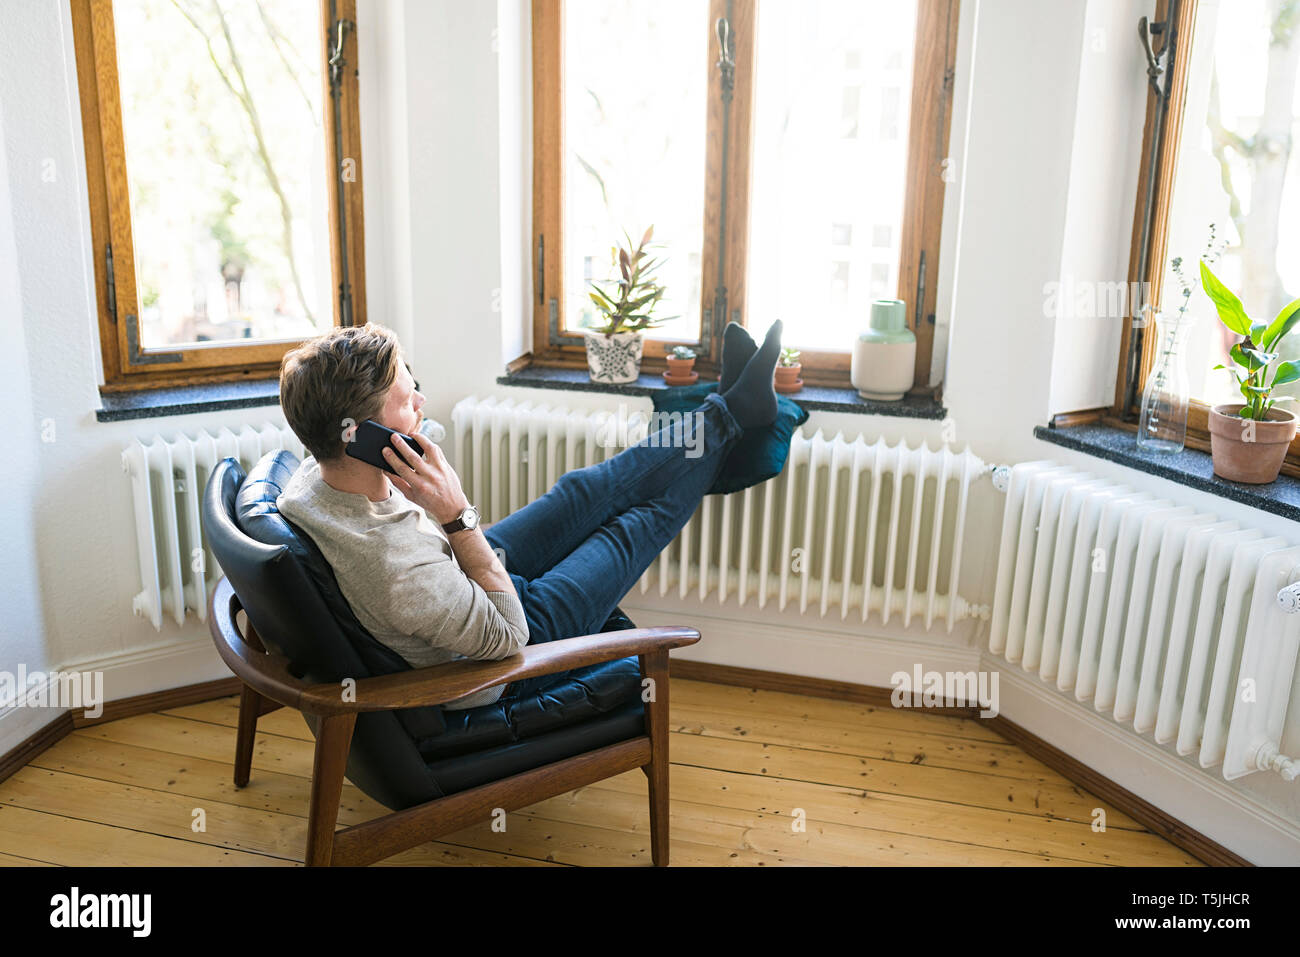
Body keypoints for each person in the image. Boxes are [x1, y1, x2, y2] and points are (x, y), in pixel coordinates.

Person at [276, 319, 784, 709]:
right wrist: (455, 515)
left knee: (581, 492)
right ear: (362, 436)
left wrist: (426, 505)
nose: (424, 403)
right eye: (410, 401)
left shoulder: (313, 481)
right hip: (500, 649)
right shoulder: (392, 566)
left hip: (458, 583)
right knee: (630, 529)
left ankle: (732, 410)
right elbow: (509, 637)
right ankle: (737, 411)